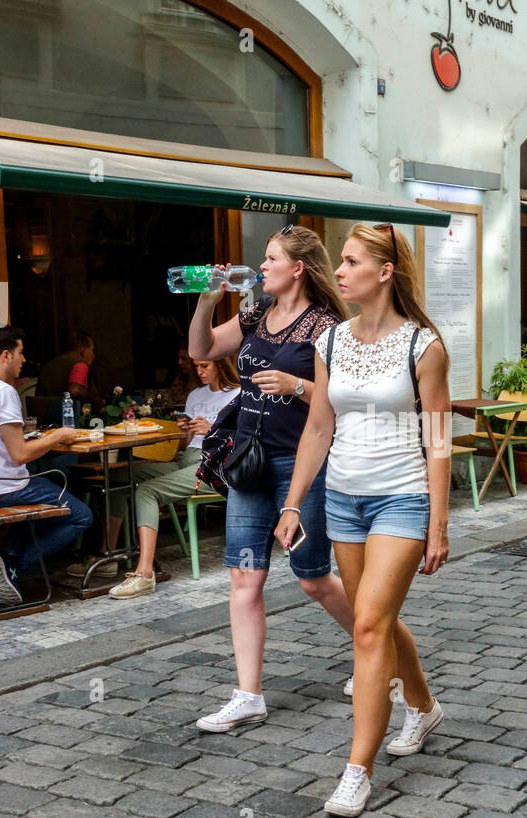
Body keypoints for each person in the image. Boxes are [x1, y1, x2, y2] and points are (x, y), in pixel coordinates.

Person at [273, 223, 450, 818]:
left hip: (401, 498)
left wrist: (440, 524)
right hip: (343, 499)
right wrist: (294, 502)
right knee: (380, 618)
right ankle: (422, 706)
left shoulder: (422, 346)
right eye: (340, 262)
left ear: (384, 272)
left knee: (368, 626)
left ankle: (357, 769)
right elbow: (318, 426)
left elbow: (440, 439)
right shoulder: (331, 342)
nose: (339, 271)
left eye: (350, 262)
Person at [187, 225, 354, 732]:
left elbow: (341, 399)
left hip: (300, 463)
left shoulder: (327, 326)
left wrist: (295, 384)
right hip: (249, 460)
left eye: (271, 258)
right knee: (245, 576)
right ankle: (248, 695)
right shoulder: (256, 312)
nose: (261, 266)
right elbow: (205, 347)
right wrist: (205, 301)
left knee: (312, 578)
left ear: (298, 267)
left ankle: (378, 643)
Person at [0, 326, 93, 606]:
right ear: (5, 355)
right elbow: (20, 455)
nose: (23, 360)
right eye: (20, 353)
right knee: (81, 515)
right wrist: (58, 435)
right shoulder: (3, 392)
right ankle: (11, 564)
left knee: (41, 499)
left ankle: (6, 556)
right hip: (1, 488)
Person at [108, 357, 239, 598]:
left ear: (221, 364)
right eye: (196, 366)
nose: (199, 371)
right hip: (187, 459)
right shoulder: (195, 395)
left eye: (205, 366)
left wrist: (211, 429)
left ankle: (145, 573)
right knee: (118, 476)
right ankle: (109, 556)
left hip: (215, 465)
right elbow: (185, 444)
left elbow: (244, 441)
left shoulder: (238, 394)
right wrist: (184, 431)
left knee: (146, 490)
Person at [37, 330, 104, 413]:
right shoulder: (80, 364)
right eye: (92, 350)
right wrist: (97, 401)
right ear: (83, 350)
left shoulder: (47, 365)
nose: (93, 355)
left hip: (44, 421)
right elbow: (75, 390)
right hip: (68, 422)